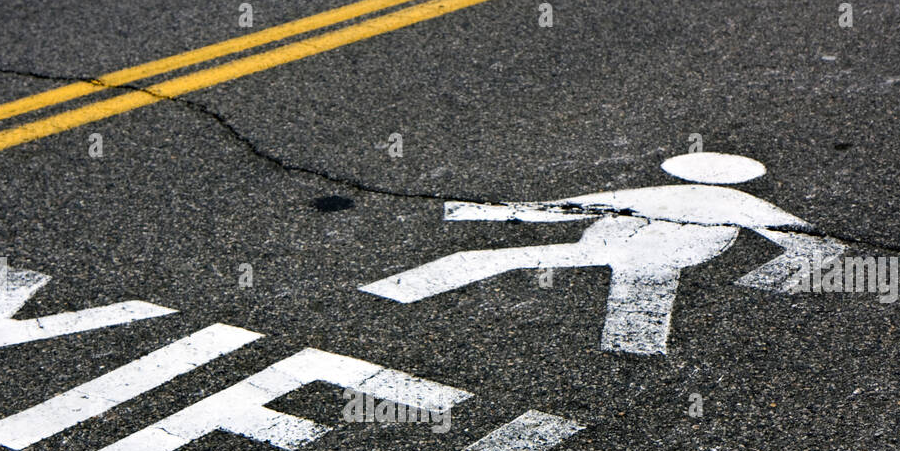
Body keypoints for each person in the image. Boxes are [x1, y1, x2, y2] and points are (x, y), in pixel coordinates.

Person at [360, 152, 844, 355]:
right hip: (646, 250)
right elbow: (811, 243)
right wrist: (766, 282)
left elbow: (565, 209)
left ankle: (400, 288)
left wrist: (476, 213)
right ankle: (631, 353)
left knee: (500, 257)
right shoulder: (742, 201)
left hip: (633, 248)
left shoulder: (711, 199)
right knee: (636, 298)